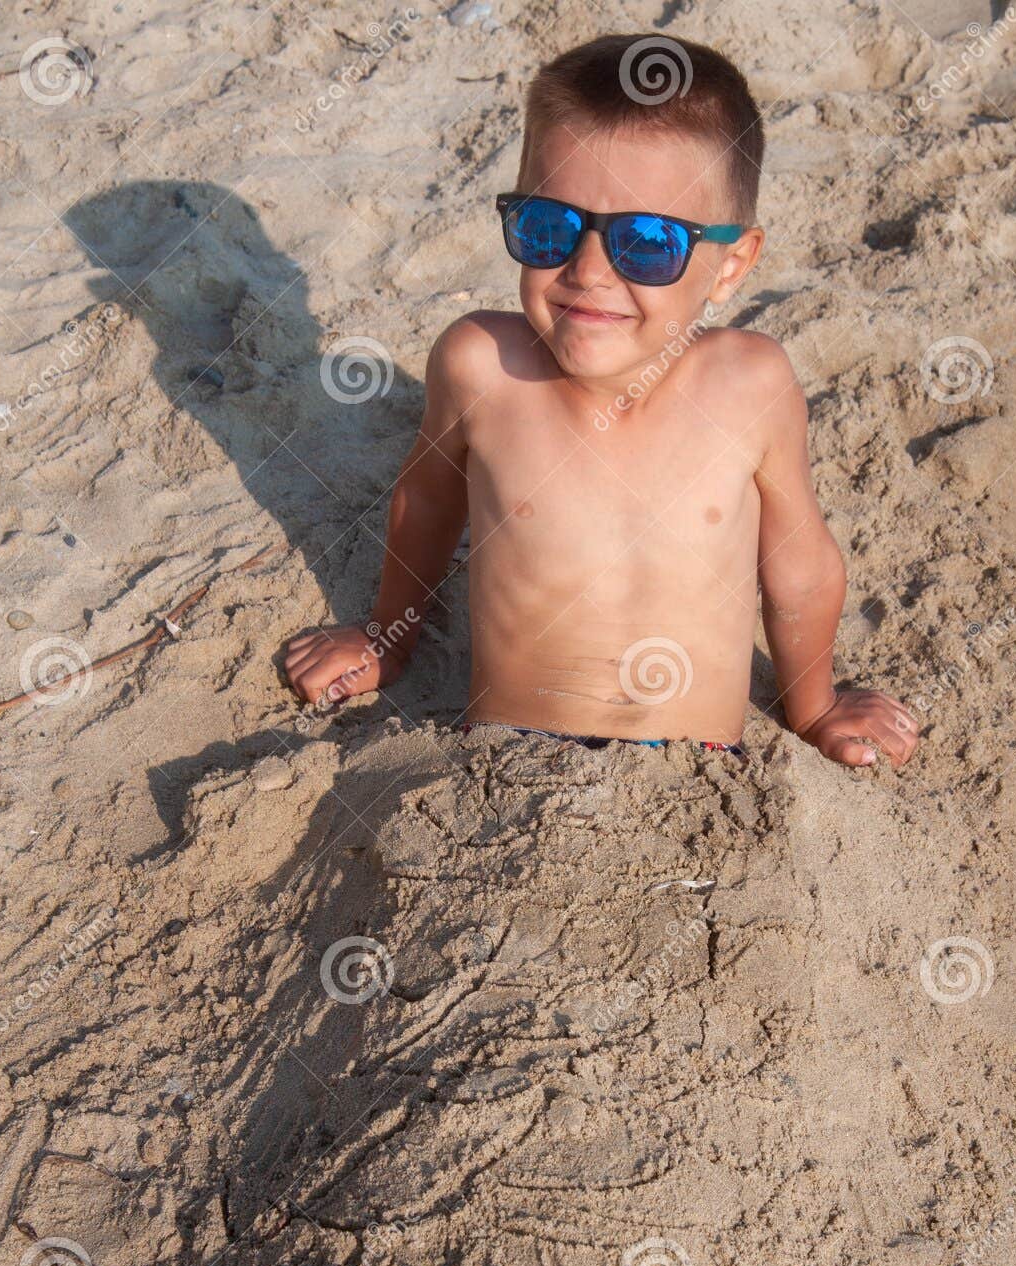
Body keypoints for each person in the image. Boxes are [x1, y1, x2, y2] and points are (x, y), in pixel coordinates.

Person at [285, 32, 918, 769]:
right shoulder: (480, 366)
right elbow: (425, 502)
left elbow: (798, 562)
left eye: (647, 242)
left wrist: (814, 707)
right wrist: (386, 639)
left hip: (701, 769)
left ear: (729, 266)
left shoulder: (749, 384)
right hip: (501, 760)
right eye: (548, 227)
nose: (587, 271)